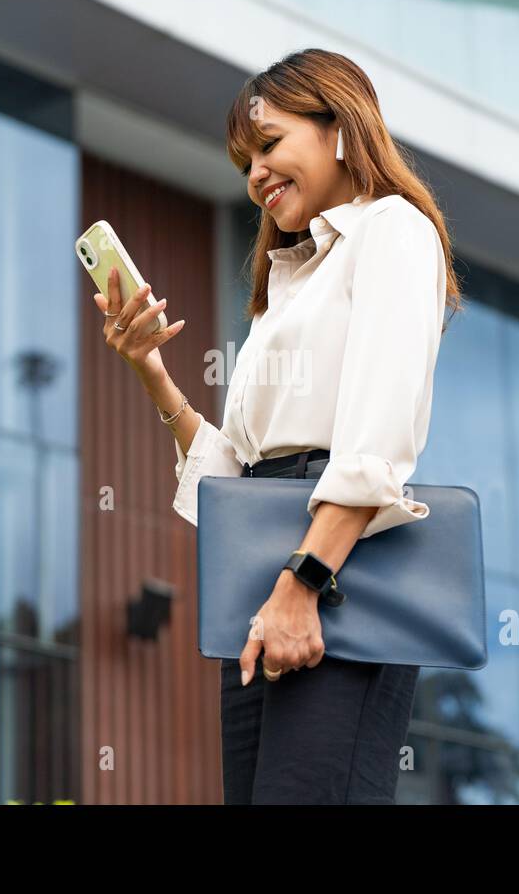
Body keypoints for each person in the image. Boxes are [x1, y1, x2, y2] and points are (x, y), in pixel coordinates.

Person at [94, 48, 463, 803]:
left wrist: (306, 581)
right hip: (269, 581)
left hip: (333, 573)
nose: (255, 174)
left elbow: (373, 442)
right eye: (243, 163)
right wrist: (150, 371)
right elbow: (239, 476)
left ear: (339, 126)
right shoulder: (288, 285)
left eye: (268, 145)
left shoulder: (393, 229)